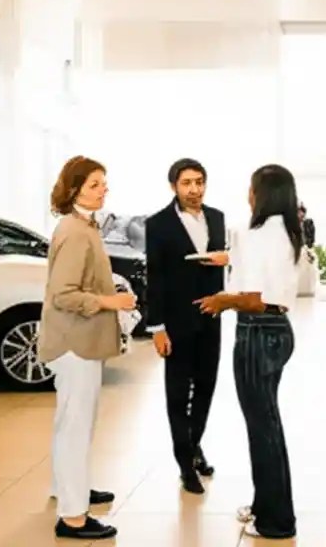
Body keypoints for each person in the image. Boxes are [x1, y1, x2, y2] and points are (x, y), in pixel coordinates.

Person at [196, 164, 301, 540]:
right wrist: (231, 260)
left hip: (257, 331)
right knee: (266, 425)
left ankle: (276, 522)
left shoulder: (258, 233)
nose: (247, 194)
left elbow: (254, 299)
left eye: (251, 188)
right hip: (277, 331)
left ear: (261, 194)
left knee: (263, 429)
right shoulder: (286, 230)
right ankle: (265, 506)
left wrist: (221, 300)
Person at [38, 156, 137, 541]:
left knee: (70, 422)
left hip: (76, 341)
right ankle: (73, 516)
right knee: (76, 427)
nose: (104, 189)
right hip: (74, 342)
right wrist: (113, 302)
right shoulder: (76, 231)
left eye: (104, 183)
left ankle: (68, 487)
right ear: (75, 188)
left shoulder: (81, 225)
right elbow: (64, 294)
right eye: (96, 184)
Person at [143, 158, 229, 494]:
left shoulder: (218, 218)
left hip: (211, 318)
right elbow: (155, 278)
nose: (194, 189)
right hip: (176, 323)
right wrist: (157, 327)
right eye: (187, 183)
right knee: (178, 394)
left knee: (206, 388)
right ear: (174, 187)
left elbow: (222, 265)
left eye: (199, 182)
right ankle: (184, 464)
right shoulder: (159, 224)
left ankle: (194, 444)